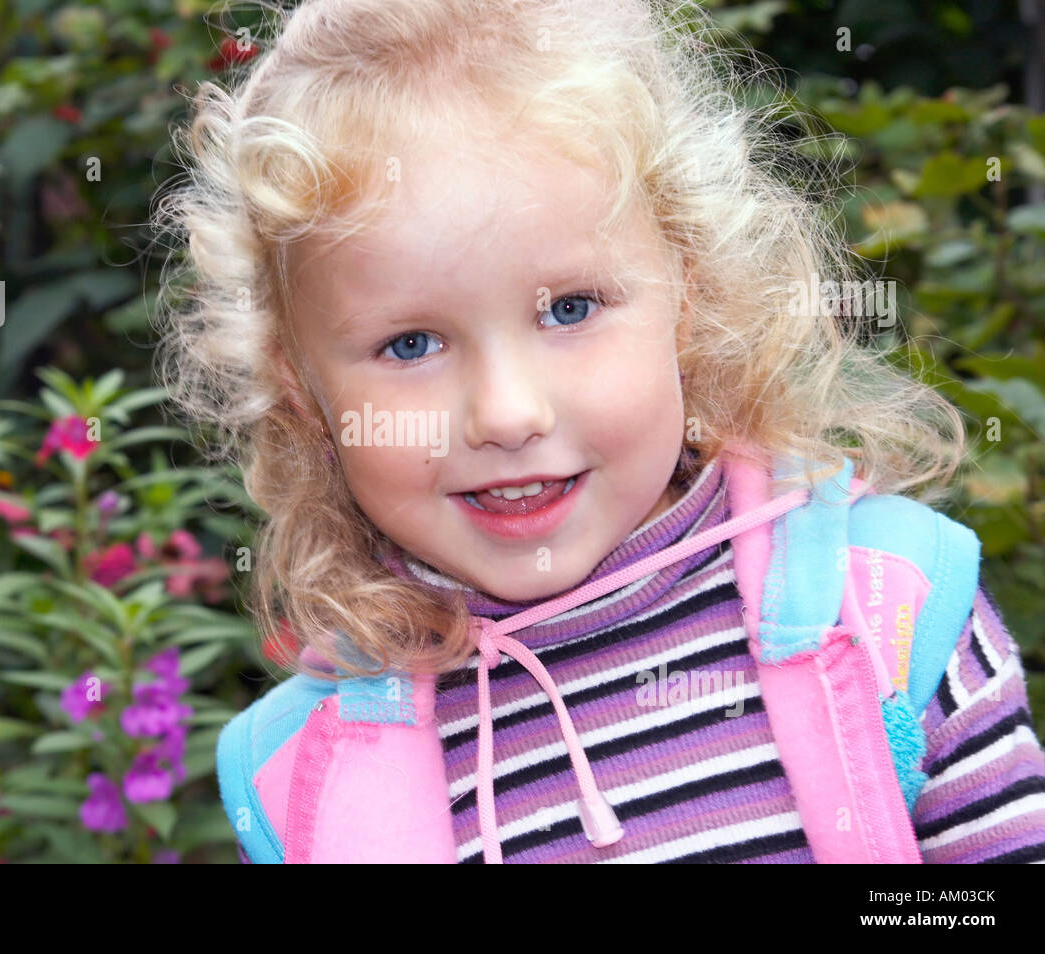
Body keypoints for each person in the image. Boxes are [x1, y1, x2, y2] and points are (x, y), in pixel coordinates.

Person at [153, 0, 1045, 862]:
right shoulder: (301, 784)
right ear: (304, 394)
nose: (508, 413)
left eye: (570, 309)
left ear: (686, 298)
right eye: (411, 343)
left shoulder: (889, 616)